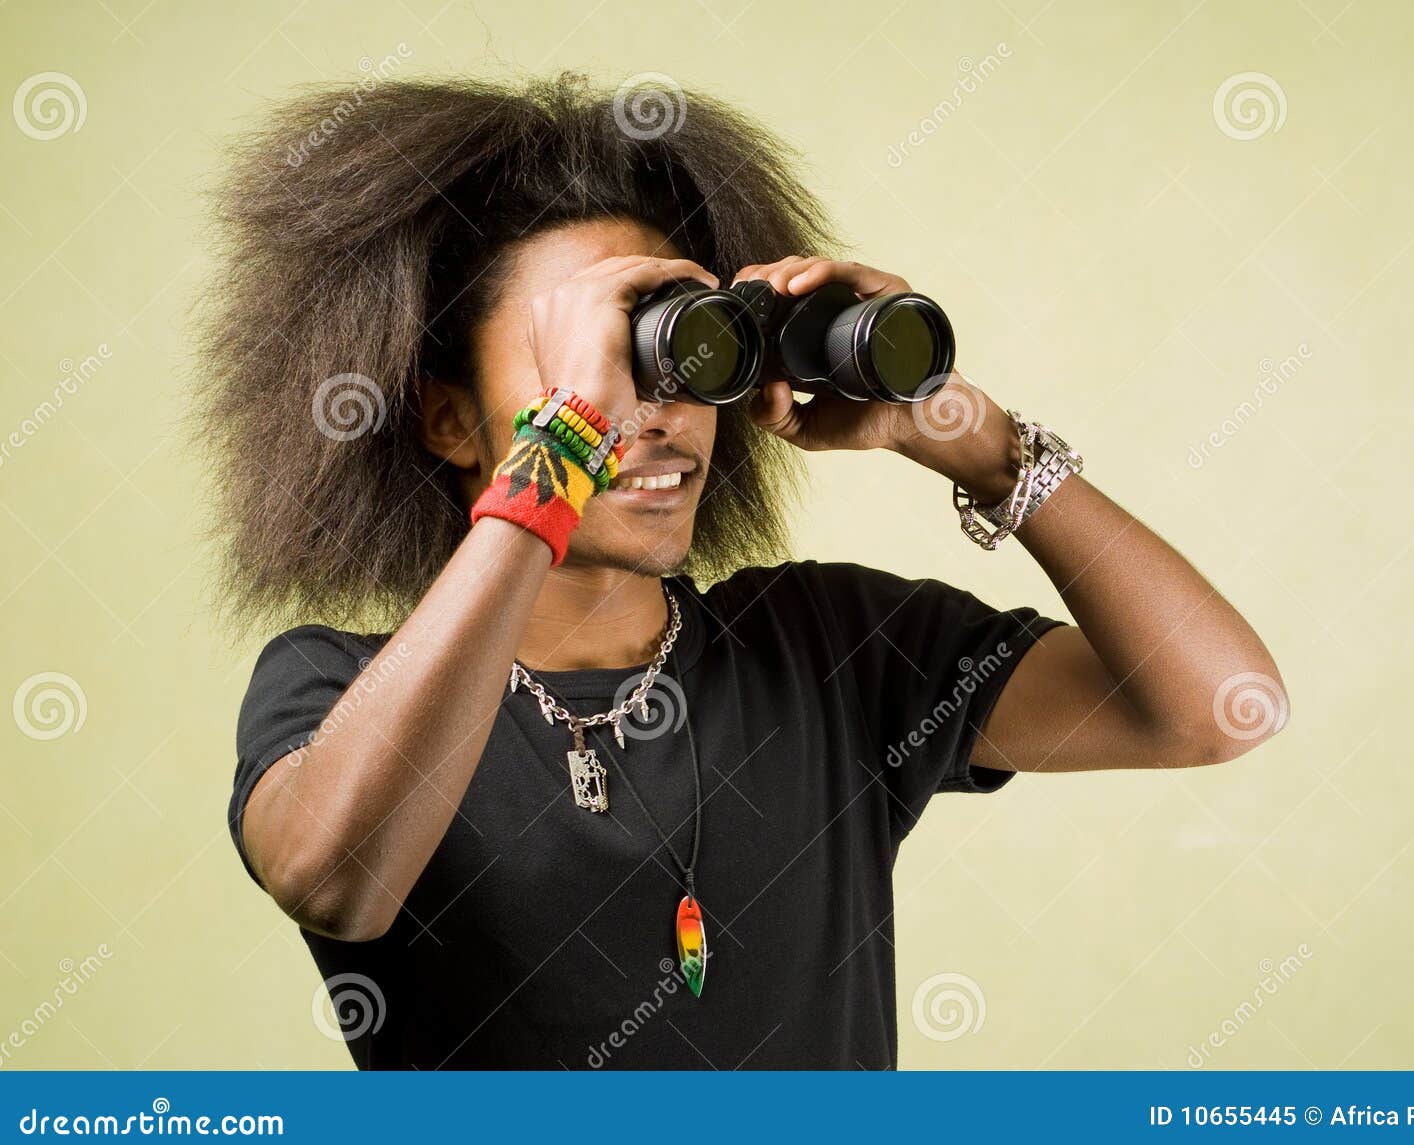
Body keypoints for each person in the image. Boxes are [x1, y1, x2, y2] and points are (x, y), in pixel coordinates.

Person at [199, 74, 1286, 1069]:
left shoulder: (821, 648)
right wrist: (564, 449)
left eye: (676, 356)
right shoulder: (336, 692)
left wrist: (974, 439)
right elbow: (337, 884)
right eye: (591, 369)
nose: (654, 417)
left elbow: (1218, 710)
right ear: (447, 419)